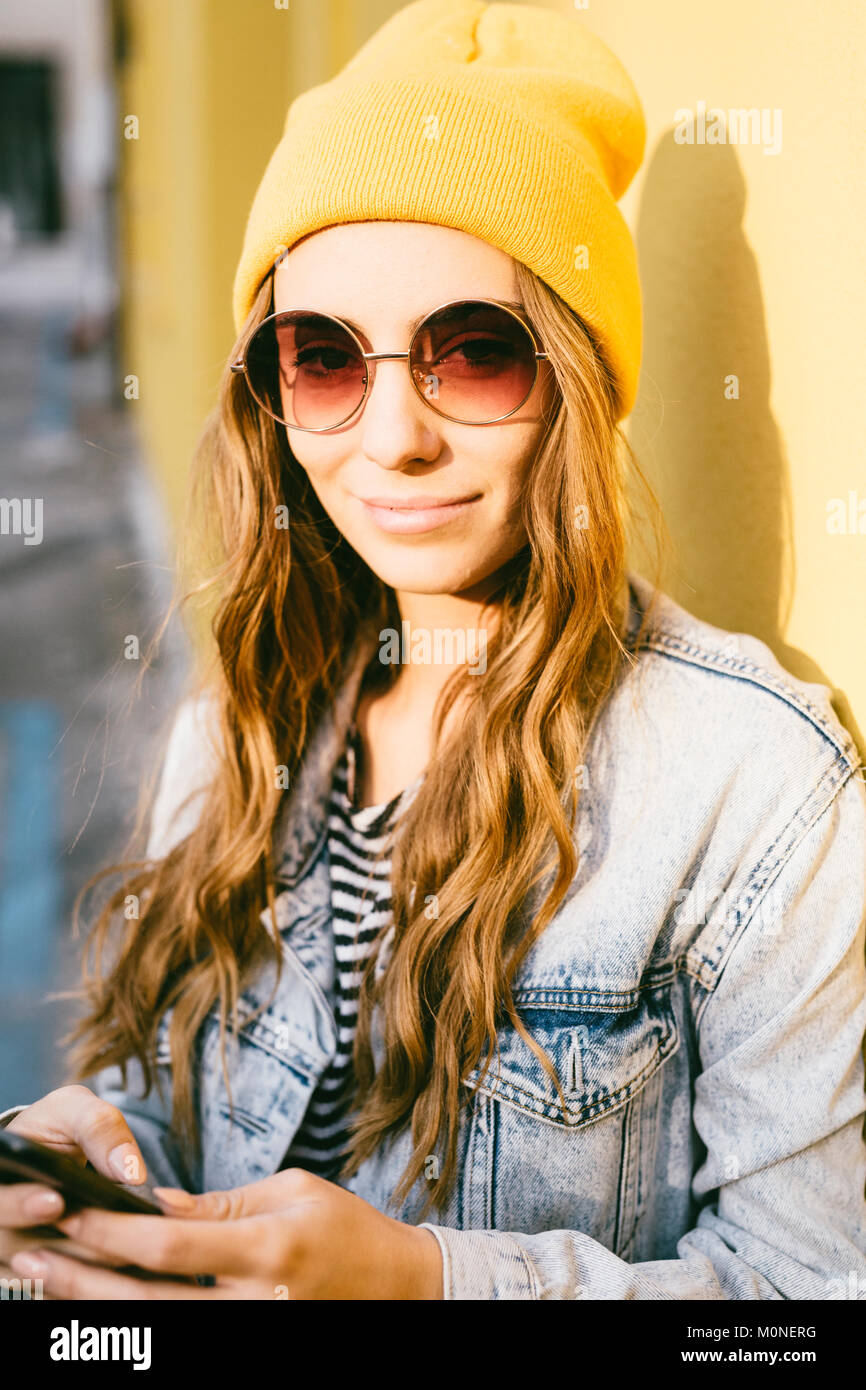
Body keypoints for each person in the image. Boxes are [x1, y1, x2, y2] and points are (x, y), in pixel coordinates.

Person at [2, 0, 865, 1301]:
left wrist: (423, 1281)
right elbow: (185, 1108)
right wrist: (101, 1142)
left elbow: (801, 1305)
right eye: (323, 357)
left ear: (576, 378)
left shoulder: (753, 786)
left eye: (472, 354)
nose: (392, 437)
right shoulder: (246, 714)